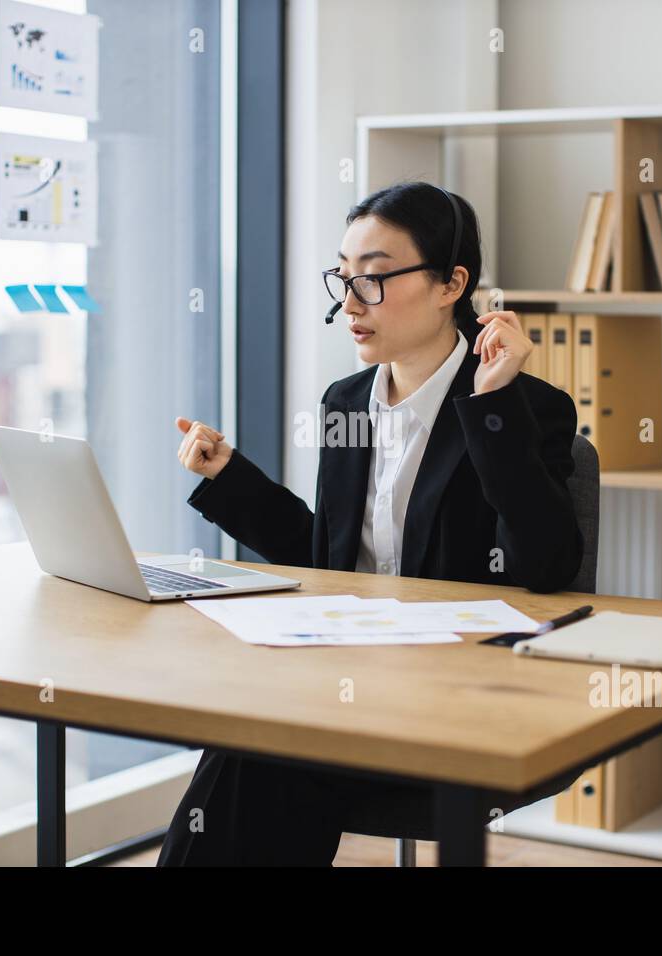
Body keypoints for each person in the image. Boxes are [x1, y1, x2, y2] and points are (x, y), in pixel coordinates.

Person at [158, 181, 584, 865]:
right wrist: (231, 478)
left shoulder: (529, 407)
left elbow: (544, 569)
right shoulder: (347, 402)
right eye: (344, 278)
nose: (350, 304)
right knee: (254, 746)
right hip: (347, 674)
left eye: (376, 280)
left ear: (452, 284)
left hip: (461, 694)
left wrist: (492, 411)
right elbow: (329, 560)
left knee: (260, 758)